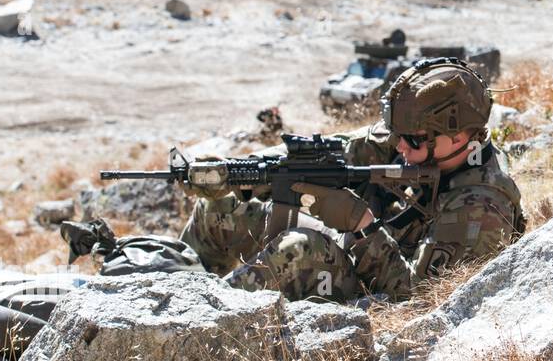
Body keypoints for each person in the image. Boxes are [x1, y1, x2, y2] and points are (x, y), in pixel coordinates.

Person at [181, 57, 524, 301]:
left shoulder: (481, 206)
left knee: (300, 250)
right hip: (359, 247)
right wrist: (235, 172)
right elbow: (331, 154)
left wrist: (362, 226)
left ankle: (205, 324)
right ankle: (174, 295)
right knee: (221, 209)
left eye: (414, 139)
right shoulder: (411, 137)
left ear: (461, 136)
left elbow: (424, 300)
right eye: (396, 134)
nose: (399, 145)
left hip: (376, 285)